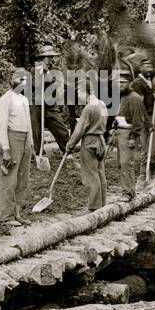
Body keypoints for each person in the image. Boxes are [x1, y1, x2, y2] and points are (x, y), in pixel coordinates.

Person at [63, 73, 109, 212]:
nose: (79, 96)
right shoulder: (102, 104)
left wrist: (70, 145)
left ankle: (95, 206)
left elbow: (79, 129)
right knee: (100, 172)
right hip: (101, 140)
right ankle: (103, 203)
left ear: (85, 91)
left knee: (91, 174)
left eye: (79, 92)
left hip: (90, 141)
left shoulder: (89, 108)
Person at [0, 67, 34, 227]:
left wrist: (30, 143)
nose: (22, 83)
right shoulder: (6, 99)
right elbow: (1, 126)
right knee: (9, 179)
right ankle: (6, 215)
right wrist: (6, 149)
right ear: (12, 81)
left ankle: (17, 213)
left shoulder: (23, 99)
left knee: (22, 179)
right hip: (12, 139)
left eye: (25, 80)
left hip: (25, 140)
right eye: (19, 79)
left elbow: (29, 124)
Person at [27, 43, 72, 161]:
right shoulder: (34, 69)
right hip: (36, 103)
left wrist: (47, 74)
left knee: (60, 128)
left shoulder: (55, 70)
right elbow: (32, 85)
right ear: (42, 58)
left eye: (52, 57)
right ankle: (37, 154)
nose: (51, 59)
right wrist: (39, 74)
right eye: (48, 57)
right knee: (36, 130)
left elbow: (57, 84)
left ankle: (67, 150)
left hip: (50, 104)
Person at [114, 70, 150, 198]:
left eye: (123, 83)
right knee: (121, 163)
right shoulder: (123, 96)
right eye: (118, 83)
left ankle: (128, 193)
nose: (120, 85)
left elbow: (138, 120)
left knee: (126, 163)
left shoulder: (134, 98)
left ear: (129, 83)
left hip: (128, 134)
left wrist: (133, 137)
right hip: (120, 132)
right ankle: (127, 190)